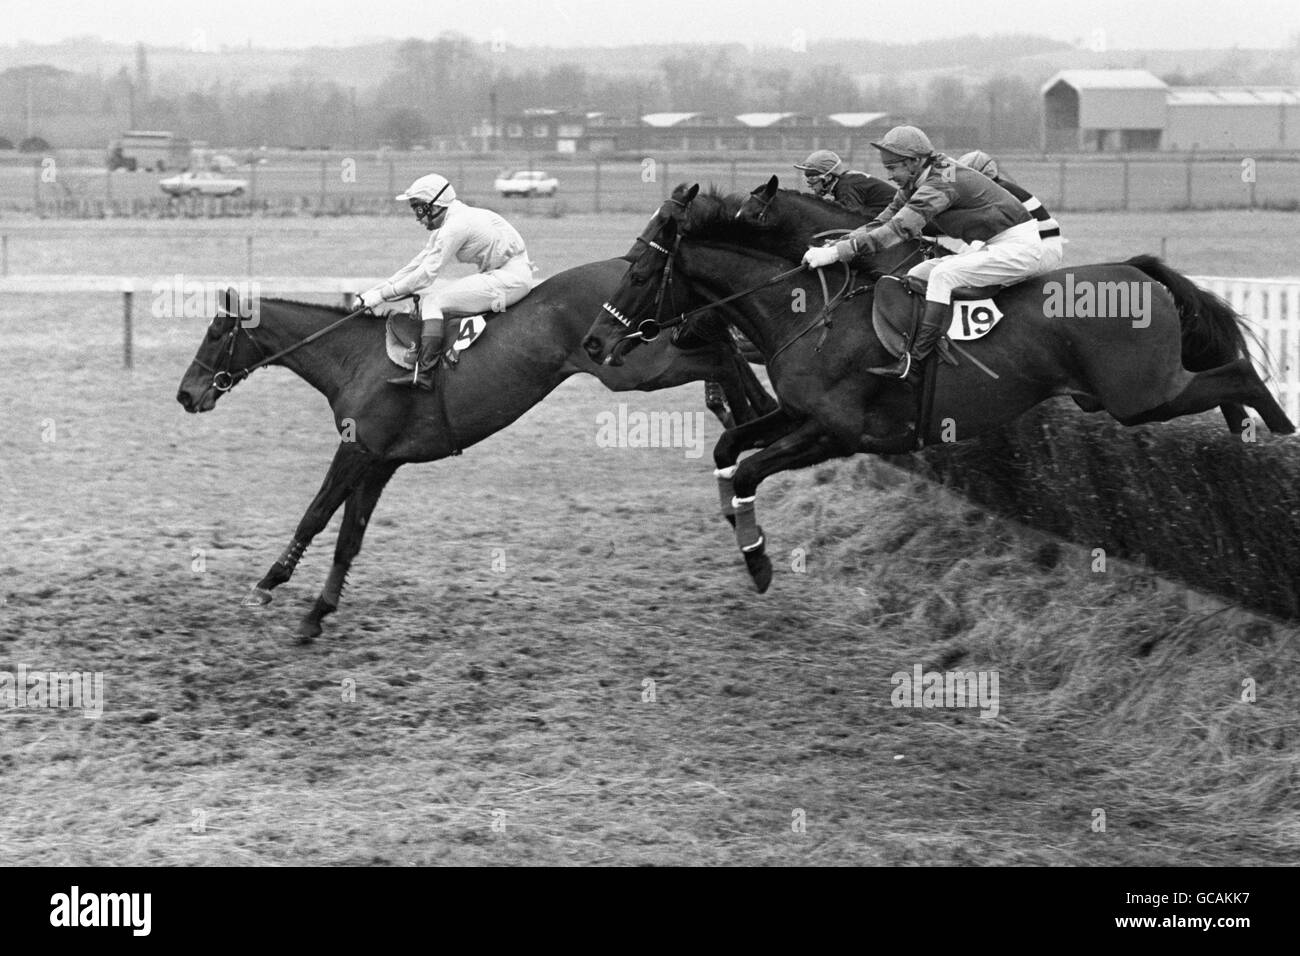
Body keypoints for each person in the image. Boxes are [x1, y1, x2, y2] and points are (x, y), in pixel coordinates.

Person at [801, 126, 1042, 384]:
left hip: (1018, 246)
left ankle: (917, 362)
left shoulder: (944, 178)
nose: (889, 175)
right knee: (915, 274)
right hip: (992, 243)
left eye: (893, 168)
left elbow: (899, 229)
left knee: (941, 275)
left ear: (914, 162)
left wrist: (838, 253)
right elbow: (881, 221)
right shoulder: (917, 180)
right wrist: (838, 243)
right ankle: (935, 341)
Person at [358, 173, 535, 390]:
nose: (417, 218)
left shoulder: (456, 226)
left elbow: (425, 276)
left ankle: (425, 372)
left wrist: (382, 296)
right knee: (435, 302)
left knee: (433, 302)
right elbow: (416, 264)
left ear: (435, 205)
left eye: (419, 209)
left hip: (510, 278)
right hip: (505, 274)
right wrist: (373, 293)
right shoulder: (455, 219)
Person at [958, 150, 1064, 273]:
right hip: (1041, 248)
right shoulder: (997, 188)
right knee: (969, 249)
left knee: (969, 257)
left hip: (1040, 251)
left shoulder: (994, 192)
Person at [792, 149, 895, 217]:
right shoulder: (845, 180)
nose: (809, 184)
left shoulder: (845, 186)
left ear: (828, 177)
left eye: (812, 178)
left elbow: (851, 219)